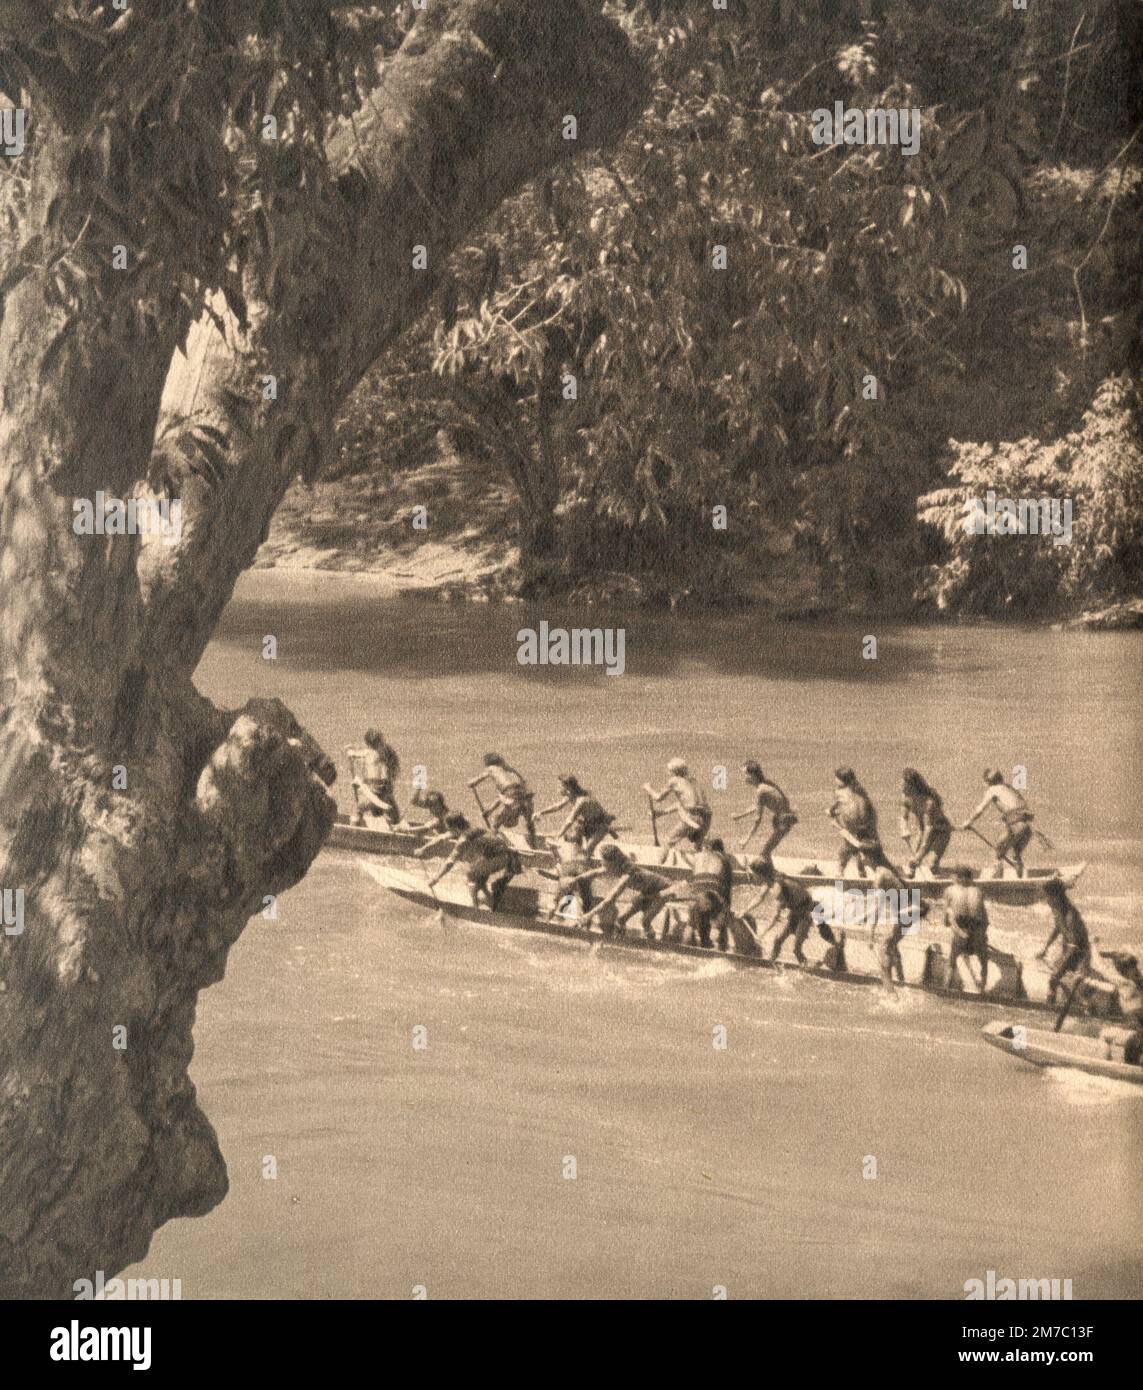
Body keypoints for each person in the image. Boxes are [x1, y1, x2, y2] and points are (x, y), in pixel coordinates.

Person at [425, 812, 522, 910]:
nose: (449, 832)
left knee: (470, 875)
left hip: (499, 858)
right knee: (479, 876)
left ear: (455, 828)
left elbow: (449, 863)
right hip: (509, 856)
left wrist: (435, 879)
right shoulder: (477, 828)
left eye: (450, 829)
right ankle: (492, 902)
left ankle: (475, 908)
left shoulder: (463, 840)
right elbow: (495, 834)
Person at [755, 862, 842, 968]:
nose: (753, 877)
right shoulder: (776, 880)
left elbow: (775, 916)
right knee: (778, 941)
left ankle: (810, 970)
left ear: (760, 875)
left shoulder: (777, 889)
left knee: (796, 949)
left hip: (807, 913)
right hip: (797, 913)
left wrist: (762, 934)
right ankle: (771, 963)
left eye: (754, 875)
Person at [577, 845, 675, 940]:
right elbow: (595, 872)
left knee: (645, 921)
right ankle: (621, 942)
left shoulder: (627, 875)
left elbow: (610, 899)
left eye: (603, 862)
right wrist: (574, 880)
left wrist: (589, 915)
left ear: (612, 863)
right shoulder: (616, 865)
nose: (601, 864)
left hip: (666, 890)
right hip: (649, 892)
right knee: (621, 919)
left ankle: (652, 945)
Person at [959, 769, 1036, 878]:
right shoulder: (1008, 787)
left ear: (988, 781)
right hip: (1028, 828)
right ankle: (1020, 879)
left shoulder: (993, 789)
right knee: (1016, 854)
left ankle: (996, 882)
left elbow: (980, 809)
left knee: (997, 852)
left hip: (1016, 825)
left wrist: (968, 822)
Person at [1035, 877, 1091, 1006]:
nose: (1046, 900)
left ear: (1056, 897)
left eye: (1047, 897)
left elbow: (1074, 946)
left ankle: (1079, 1008)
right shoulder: (1056, 908)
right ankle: (1051, 1008)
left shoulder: (1070, 915)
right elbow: (1057, 928)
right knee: (1053, 980)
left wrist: (1060, 967)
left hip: (1081, 955)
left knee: (1071, 986)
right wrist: (1045, 948)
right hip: (1069, 950)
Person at [643, 759, 711, 864]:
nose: (668, 773)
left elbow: (658, 798)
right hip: (706, 817)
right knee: (697, 846)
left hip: (692, 817)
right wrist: (660, 813)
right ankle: (703, 868)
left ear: (674, 772)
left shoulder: (674, 780)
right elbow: (683, 804)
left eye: (669, 771)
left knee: (669, 840)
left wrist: (648, 788)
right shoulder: (693, 781)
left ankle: (657, 865)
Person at [828, 767, 893, 878]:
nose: (834, 780)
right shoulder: (860, 789)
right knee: (862, 848)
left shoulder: (839, 792)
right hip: (866, 823)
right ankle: (862, 871)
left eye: (836, 778)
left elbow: (837, 807)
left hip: (851, 825)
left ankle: (840, 872)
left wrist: (831, 813)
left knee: (845, 850)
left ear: (841, 780)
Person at [732, 762, 798, 865]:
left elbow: (758, 819)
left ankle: (771, 877)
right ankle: (771, 875)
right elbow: (757, 806)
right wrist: (740, 816)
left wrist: (746, 838)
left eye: (745, 774)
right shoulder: (766, 784)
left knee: (764, 854)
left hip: (783, 822)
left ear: (753, 775)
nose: (743, 777)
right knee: (766, 852)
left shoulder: (761, 791)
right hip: (785, 820)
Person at [536, 775, 617, 858]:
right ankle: (575, 846)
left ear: (568, 788)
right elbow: (557, 806)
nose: (558, 788)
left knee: (587, 851)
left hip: (600, 827)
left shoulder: (581, 800)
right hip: (588, 824)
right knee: (578, 836)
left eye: (560, 786)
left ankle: (585, 860)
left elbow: (569, 821)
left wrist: (557, 836)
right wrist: (541, 812)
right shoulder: (572, 795)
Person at [468, 753, 537, 847]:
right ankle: (534, 843)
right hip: (526, 795)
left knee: (496, 822)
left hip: (511, 794)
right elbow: (502, 797)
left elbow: (474, 781)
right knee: (529, 823)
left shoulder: (491, 768)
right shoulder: (508, 769)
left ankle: (490, 846)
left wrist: (471, 782)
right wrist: (489, 811)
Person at [942, 865, 990, 991]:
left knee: (951, 961)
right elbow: (986, 921)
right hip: (978, 933)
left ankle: (946, 989)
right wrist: (981, 936)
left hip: (960, 933)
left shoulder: (949, 890)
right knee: (984, 961)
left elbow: (945, 921)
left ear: (958, 878)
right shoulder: (979, 891)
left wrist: (960, 932)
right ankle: (983, 990)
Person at [898, 768, 953, 877]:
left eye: (903, 784)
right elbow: (903, 817)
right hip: (923, 830)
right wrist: (904, 828)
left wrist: (918, 856)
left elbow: (929, 831)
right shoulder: (905, 797)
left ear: (911, 786)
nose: (900, 786)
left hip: (941, 832)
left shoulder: (928, 803)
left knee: (931, 864)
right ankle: (911, 884)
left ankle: (940, 883)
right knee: (912, 864)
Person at [687, 837, 738, 950]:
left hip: (695, 899)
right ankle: (721, 947)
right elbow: (727, 892)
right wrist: (726, 911)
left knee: (692, 925)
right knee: (721, 926)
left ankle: (694, 944)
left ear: (707, 848)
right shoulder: (724, 860)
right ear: (721, 850)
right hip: (711, 898)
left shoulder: (697, 858)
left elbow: (693, 883)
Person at [345, 729, 400, 826]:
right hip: (387, 791)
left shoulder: (368, 752)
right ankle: (396, 826)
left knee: (358, 810)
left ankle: (352, 832)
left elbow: (353, 753)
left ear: (368, 743)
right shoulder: (388, 753)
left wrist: (349, 750)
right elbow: (394, 772)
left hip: (374, 792)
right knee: (395, 817)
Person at [1097, 949, 1143, 1065]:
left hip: (1135, 1033)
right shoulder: (1138, 982)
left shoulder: (1125, 982)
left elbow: (1100, 968)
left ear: (1122, 971)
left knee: (1104, 1035)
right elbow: (1108, 987)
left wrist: (1092, 945)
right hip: (1137, 1031)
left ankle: (1105, 1067)